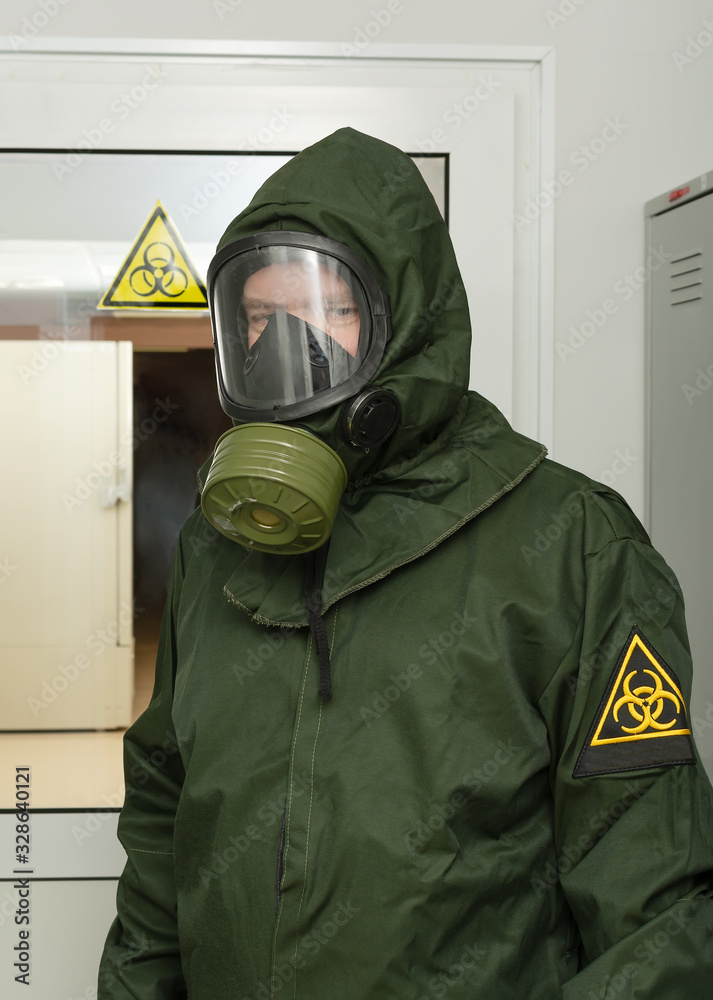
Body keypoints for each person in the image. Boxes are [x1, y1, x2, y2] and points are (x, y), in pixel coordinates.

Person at [99, 127, 713, 999]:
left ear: (406, 323)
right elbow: (162, 823)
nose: (287, 350)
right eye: (261, 321)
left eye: (323, 315)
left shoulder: (570, 547)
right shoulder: (218, 549)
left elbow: (656, 913)